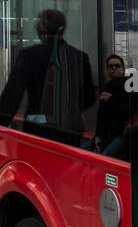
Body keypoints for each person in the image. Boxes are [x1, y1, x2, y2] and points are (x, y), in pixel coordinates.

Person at [0, 9, 96, 144]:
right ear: (62, 29)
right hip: (70, 130)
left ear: (41, 29)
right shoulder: (80, 57)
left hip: (38, 129)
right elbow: (89, 97)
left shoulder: (28, 55)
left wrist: (2, 125)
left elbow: (12, 97)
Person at [95, 54, 138, 157]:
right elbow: (101, 116)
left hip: (123, 135)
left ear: (123, 69)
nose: (114, 68)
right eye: (110, 66)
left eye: (117, 65)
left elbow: (129, 110)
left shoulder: (131, 87)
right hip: (105, 134)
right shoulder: (107, 86)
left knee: (105, 157)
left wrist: (111, 100)